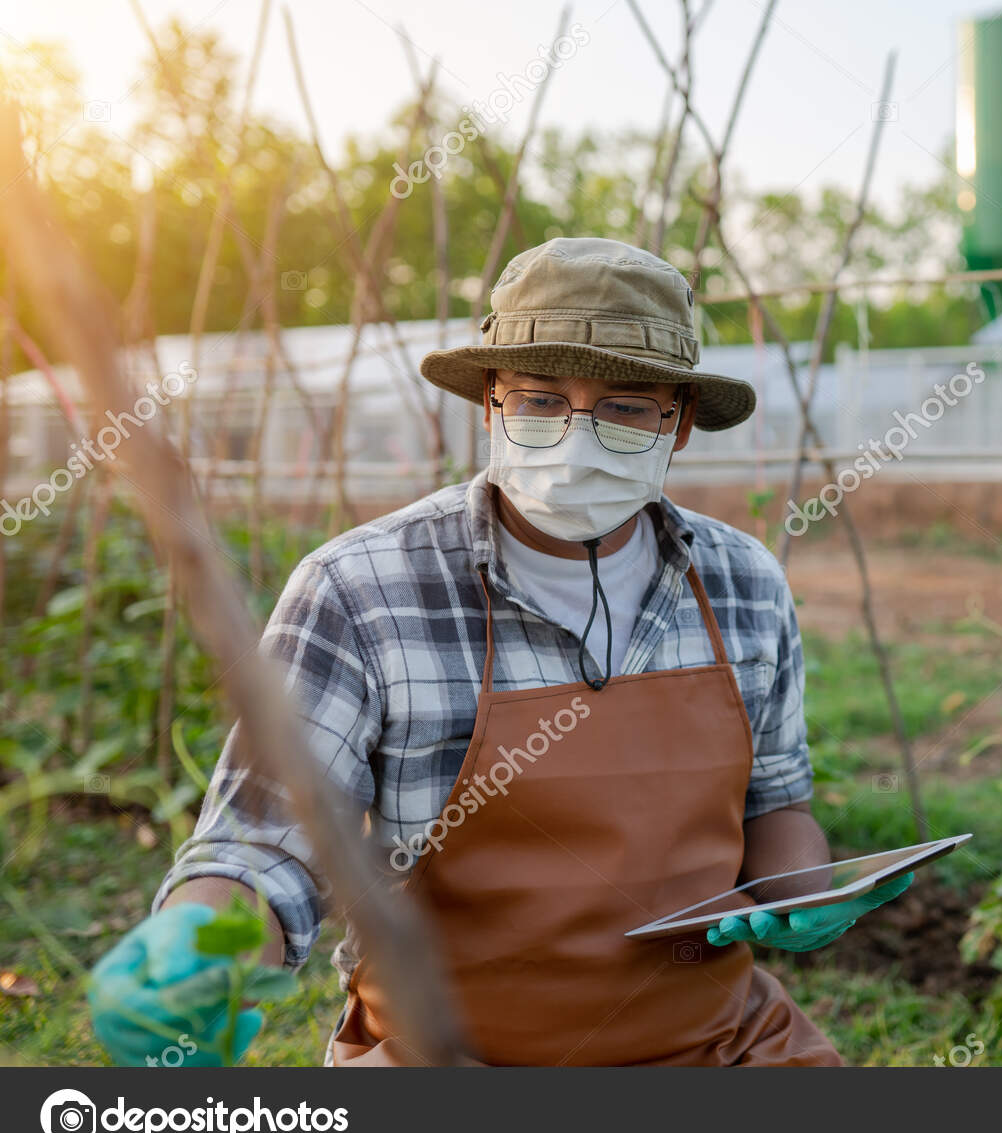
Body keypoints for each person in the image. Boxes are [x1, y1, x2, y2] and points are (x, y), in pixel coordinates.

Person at [87, 237, 910, 1066]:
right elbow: (263, 842)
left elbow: (777, 805)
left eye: (625, 410)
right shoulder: (362, 588)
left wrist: (807, 892)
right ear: (489, 404)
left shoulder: (743, 583)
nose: (574, 441)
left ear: (681, 425)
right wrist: (201, 951)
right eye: (540, 401)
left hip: (716, 1045)